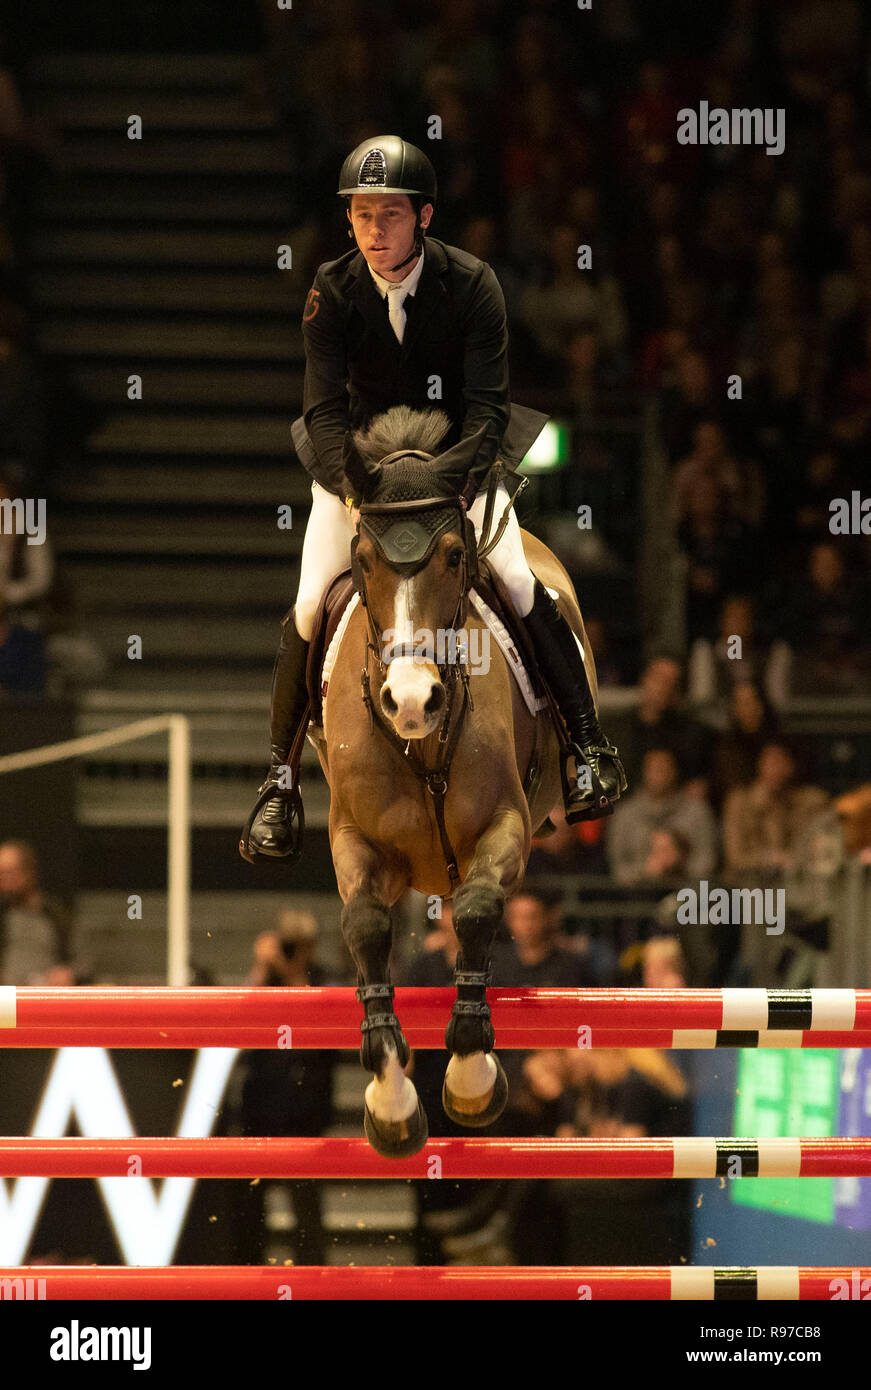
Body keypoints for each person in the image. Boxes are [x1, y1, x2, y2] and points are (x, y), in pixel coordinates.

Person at [242, 135, 625, 858]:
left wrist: (451, 484)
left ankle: (587, 747)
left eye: (389, 214)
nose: (374, 230)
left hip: (458, 471)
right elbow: (323, 411)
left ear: (423, 216)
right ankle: (279, 785)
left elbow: (487, 409)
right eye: (361, 215)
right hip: (362, 480)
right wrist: (356, 487)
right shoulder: (330, 289)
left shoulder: (472, 283)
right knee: (309, 603)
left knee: (517, 581)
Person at [0, 839, 68, 982]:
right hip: (6, 992)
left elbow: (80, 957)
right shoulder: (3, 913)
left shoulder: (54, 912)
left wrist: (67, 972)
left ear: (28, 872)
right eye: (1, 874)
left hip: (46, 990)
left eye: (9, 873)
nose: (4, 880)